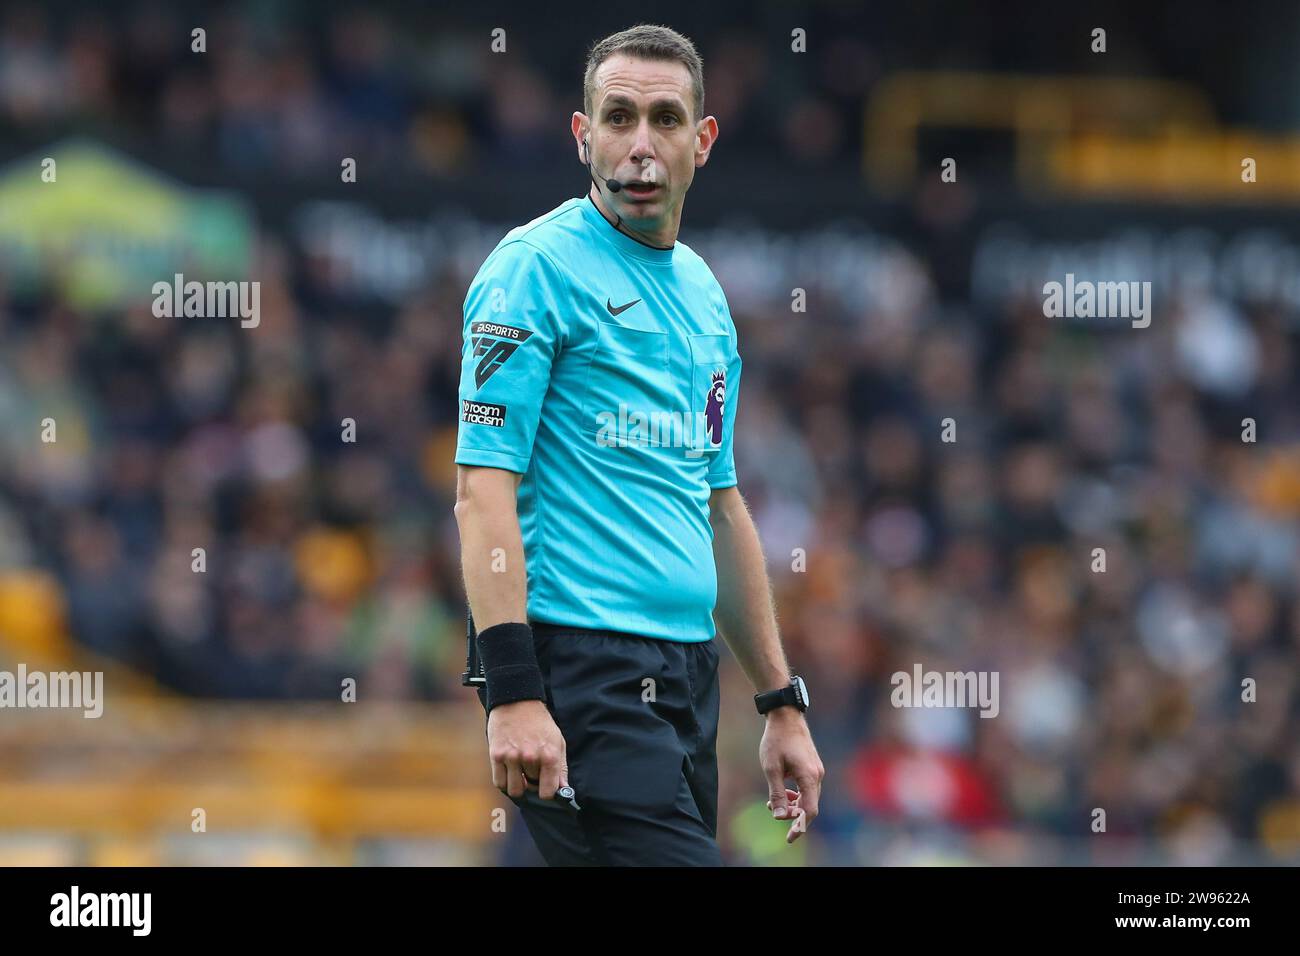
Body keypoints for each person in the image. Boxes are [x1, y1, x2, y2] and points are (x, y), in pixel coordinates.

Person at [453, 23, 823, 866]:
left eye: (664, 119)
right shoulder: (532, 271)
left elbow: (719, 503)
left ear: (703, 141)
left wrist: (779, 702)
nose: (641, 146)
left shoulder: (704, 295)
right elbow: (482, 494)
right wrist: (512, 693)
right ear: (584, 136)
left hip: (687, 682)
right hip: (581, 671)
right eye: (618, 118)